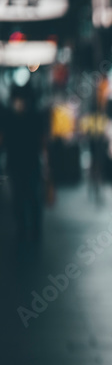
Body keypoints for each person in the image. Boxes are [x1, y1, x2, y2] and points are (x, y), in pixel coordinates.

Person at [1, 86, 48, 246]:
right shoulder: (9, 117)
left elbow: (42, 141)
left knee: (32, 197)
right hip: (17, 164)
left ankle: (34, 230)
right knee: (19, 198)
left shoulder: (33, 116)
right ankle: (23, 229)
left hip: (30, 164)